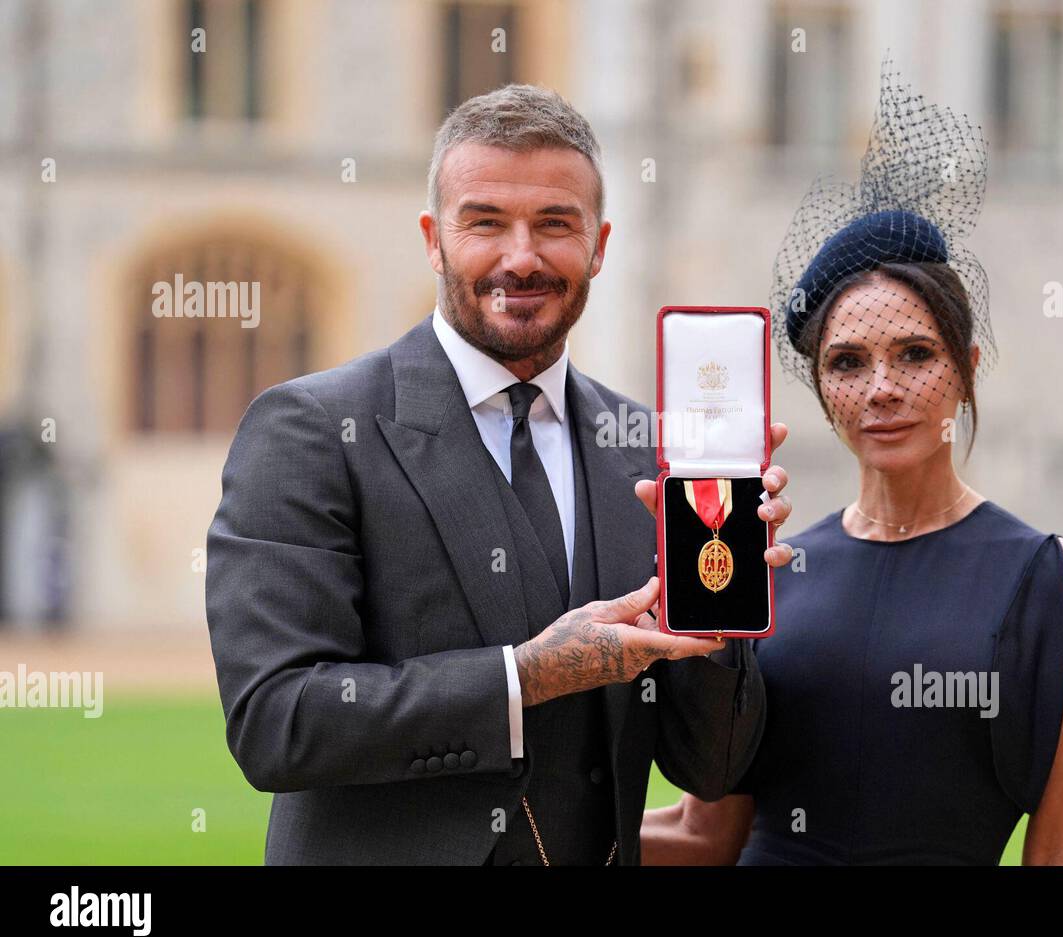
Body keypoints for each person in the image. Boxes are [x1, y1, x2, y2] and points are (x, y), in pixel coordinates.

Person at [204, 84, 793, 865]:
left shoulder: (654, 453)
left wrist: (719, 616)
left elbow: (711, 768)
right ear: (433, 239)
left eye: (556, 224)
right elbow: (278, 723)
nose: (522, 257)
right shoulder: (311, 430)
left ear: (600, 245)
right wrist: (525, 678)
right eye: (485, 222)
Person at [640, 65, 1063, 866]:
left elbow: (1061, 848)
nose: (883, 389)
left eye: (915, 354)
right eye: (848, 362)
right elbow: (704, 834)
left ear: (965, 369)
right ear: (822, 391)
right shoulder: (768, 565)